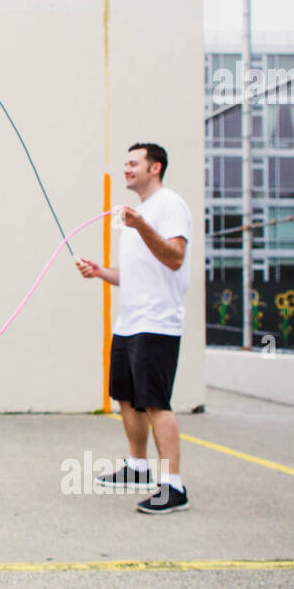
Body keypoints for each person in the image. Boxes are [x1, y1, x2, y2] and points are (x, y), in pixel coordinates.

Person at [75, 143, 192, 515]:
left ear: (155, 167)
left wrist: (141, 227)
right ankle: (138, 466)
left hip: (157, 322)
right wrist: (100, 272)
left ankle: (174, 486)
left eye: (133, 163)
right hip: (130, 322)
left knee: (156, 402)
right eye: (125, 163)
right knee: (126, 396)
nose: (126, 168)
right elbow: (137, 275)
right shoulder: (138, 213)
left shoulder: (169, 205)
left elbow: (174, 257)